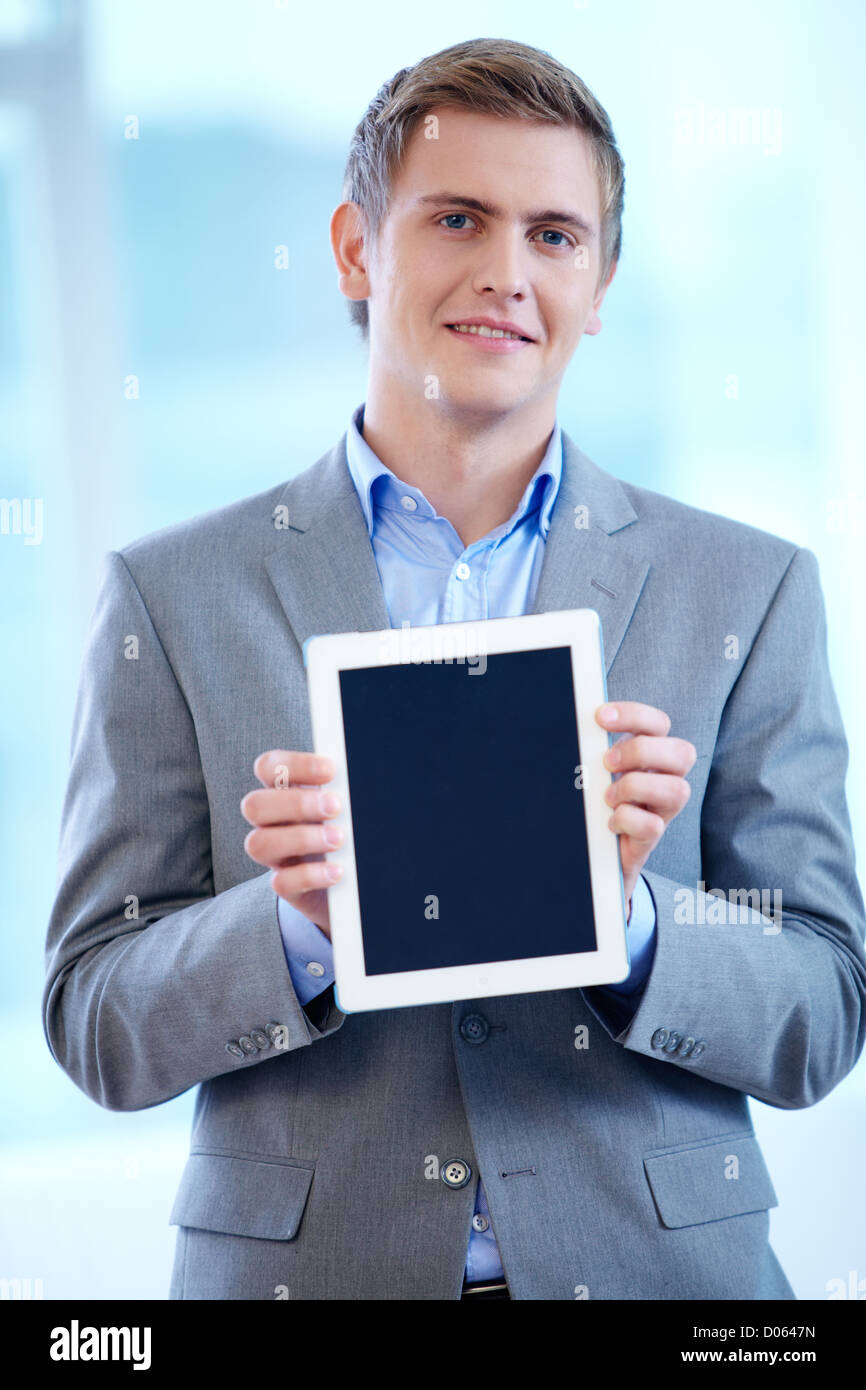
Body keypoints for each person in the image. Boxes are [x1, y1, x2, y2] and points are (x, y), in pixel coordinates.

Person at [44, 37, 866, 1301]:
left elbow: (821, 1008)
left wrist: (635, 920)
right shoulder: (175, 594)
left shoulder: (746, 590)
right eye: (456, 218)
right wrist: (291, 927)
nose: (504, 273)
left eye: (553, 234)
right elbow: (94, 1016)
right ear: (354, 248)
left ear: (598, 284)